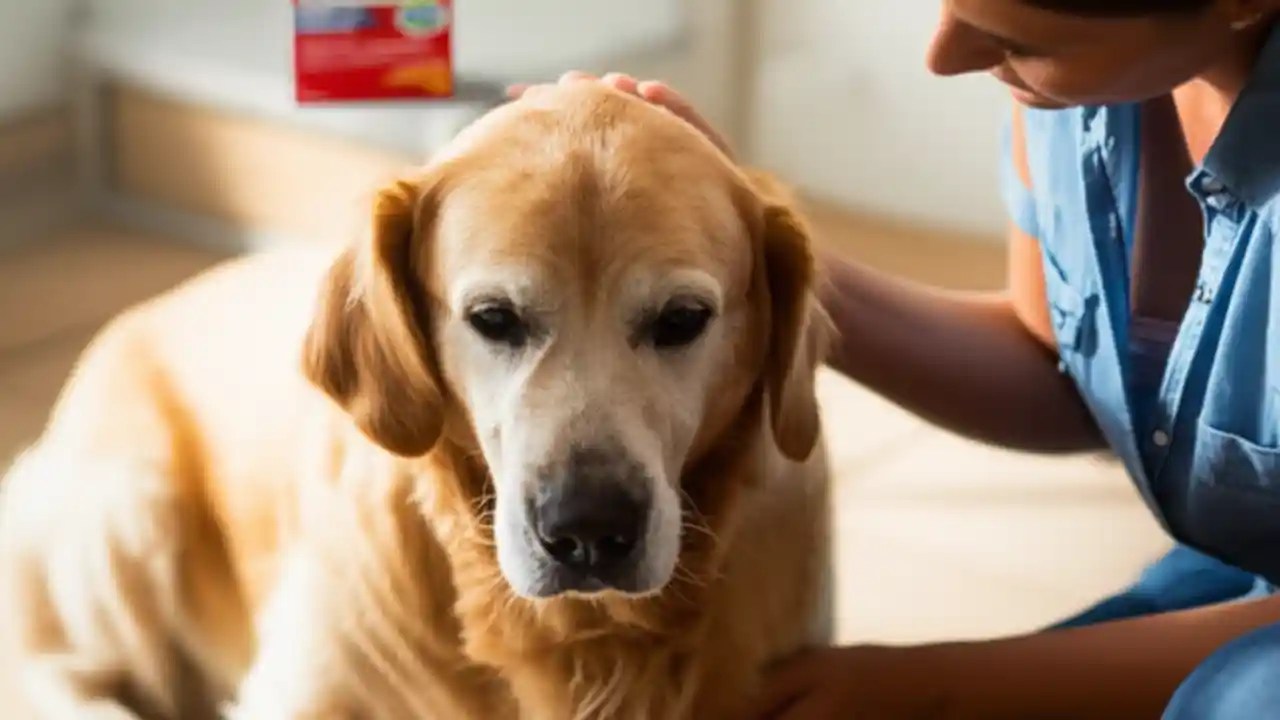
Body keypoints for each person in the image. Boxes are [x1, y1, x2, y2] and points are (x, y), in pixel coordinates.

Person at [510, 0, 1280, 716]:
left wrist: (928, 690)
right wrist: (752, 244)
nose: (944, 56)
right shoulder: (1075, 92)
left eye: (1016, 40)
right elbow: (1065, 377)